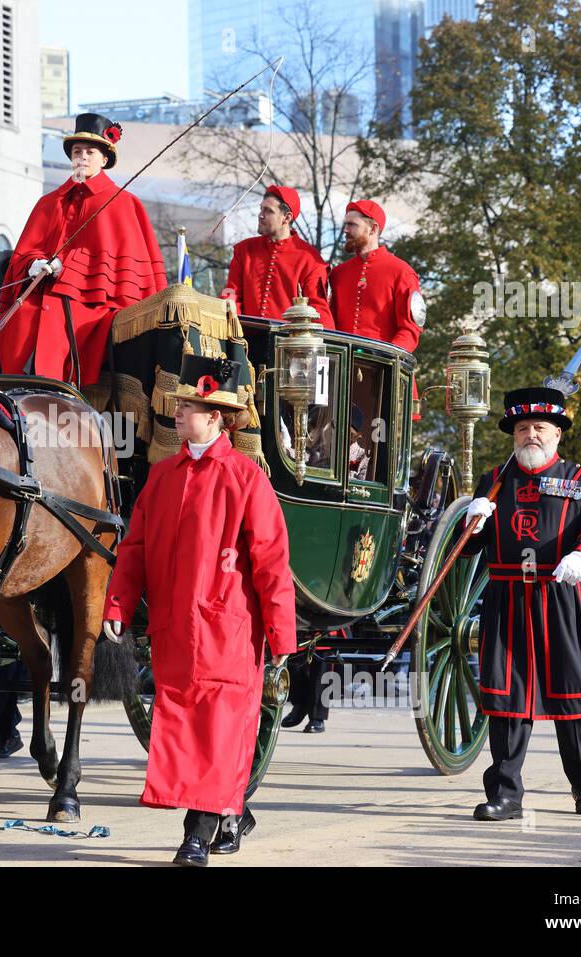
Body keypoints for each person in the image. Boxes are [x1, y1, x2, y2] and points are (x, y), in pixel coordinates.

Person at [103, 354, 296, 866]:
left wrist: (281, 638)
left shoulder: (247, 478)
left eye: (188, 406)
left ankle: (197, 832)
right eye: (181, 405)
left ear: (216, 417)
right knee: (188, 732)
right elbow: (135, 550)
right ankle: (231, 812)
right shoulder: (162, 477)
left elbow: (272, 563)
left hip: (228, 632)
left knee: (217, 729)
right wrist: (118, 604)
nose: (178, 413)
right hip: (174, 631)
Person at [462, 387, 581, 820]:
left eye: (539, 427)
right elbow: (466, 549)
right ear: (513, 435)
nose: (530, 435)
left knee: (574, 698)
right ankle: (505, 795)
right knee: (506, 699)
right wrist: (472, 518)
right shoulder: (494, 481)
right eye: (522, 428)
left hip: (562, 595)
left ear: (557, 433)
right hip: (508, 601)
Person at [0, 113, 166, 386]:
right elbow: (25, 253)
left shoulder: (123, 203)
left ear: (104, 158)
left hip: (94, 302)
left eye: (90, 151)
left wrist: (68, 269)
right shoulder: (48, 203)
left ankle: (54, 389)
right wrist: (33, 264)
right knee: (23, 315)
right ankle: (15, 389)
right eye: (77, 151)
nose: (83, 157)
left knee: (62, 323)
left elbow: (129, 280)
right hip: (39, 294)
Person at [221, 185, 332, 325]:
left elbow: (318, 309)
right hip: (245, 338)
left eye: (268, 211)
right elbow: (231, 290)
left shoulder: (310, 260)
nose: (261, 215)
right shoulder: (244, 250)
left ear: (286, 218)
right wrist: (228, 305)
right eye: (261, 209)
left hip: (288, 342)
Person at [329, 200, 425, 351]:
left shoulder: (402, 272)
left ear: (373, 229)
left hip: (384, 368)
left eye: (352, 224)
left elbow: (410, 330)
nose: (345, 230)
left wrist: (386, 359)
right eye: (345, 224)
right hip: (343, 369)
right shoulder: (337, 274)